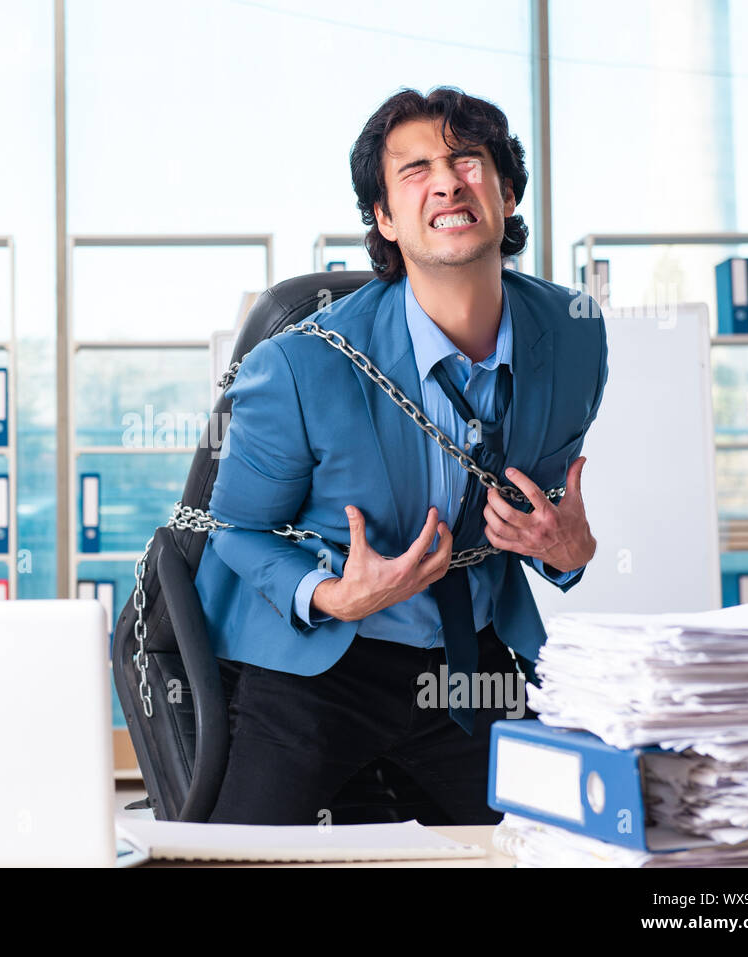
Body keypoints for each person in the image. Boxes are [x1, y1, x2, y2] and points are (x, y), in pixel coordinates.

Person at [191, 85, 609, 825]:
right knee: (239, 856)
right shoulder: (301, 367)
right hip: (321, 664)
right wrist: (331, 595)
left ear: (506, 193)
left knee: (565, 838)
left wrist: (568, 551)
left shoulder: (574, 335)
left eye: (466, 161)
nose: (447, 181)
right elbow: (235, 532)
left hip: (468, 658)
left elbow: (540, 514)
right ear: (385, 217)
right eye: (414, 170)